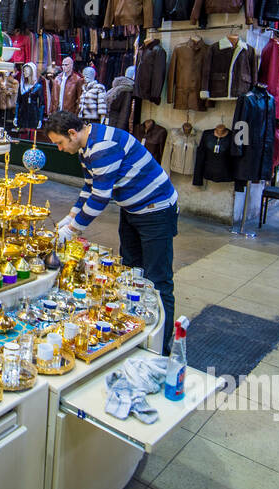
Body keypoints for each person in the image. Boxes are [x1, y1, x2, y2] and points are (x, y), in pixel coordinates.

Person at [44, 111, 180, 353]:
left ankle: (161, 347)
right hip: (132, 209)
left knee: (158, 281)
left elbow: (100, 196)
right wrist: (70, 217)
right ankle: (136, 332)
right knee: (130, 272)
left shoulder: (102, 147)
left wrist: (73, 230)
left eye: (60, 143)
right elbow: (89, 187)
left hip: (155, 211)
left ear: (72, 134)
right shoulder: (86, 146)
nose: (61, 149)